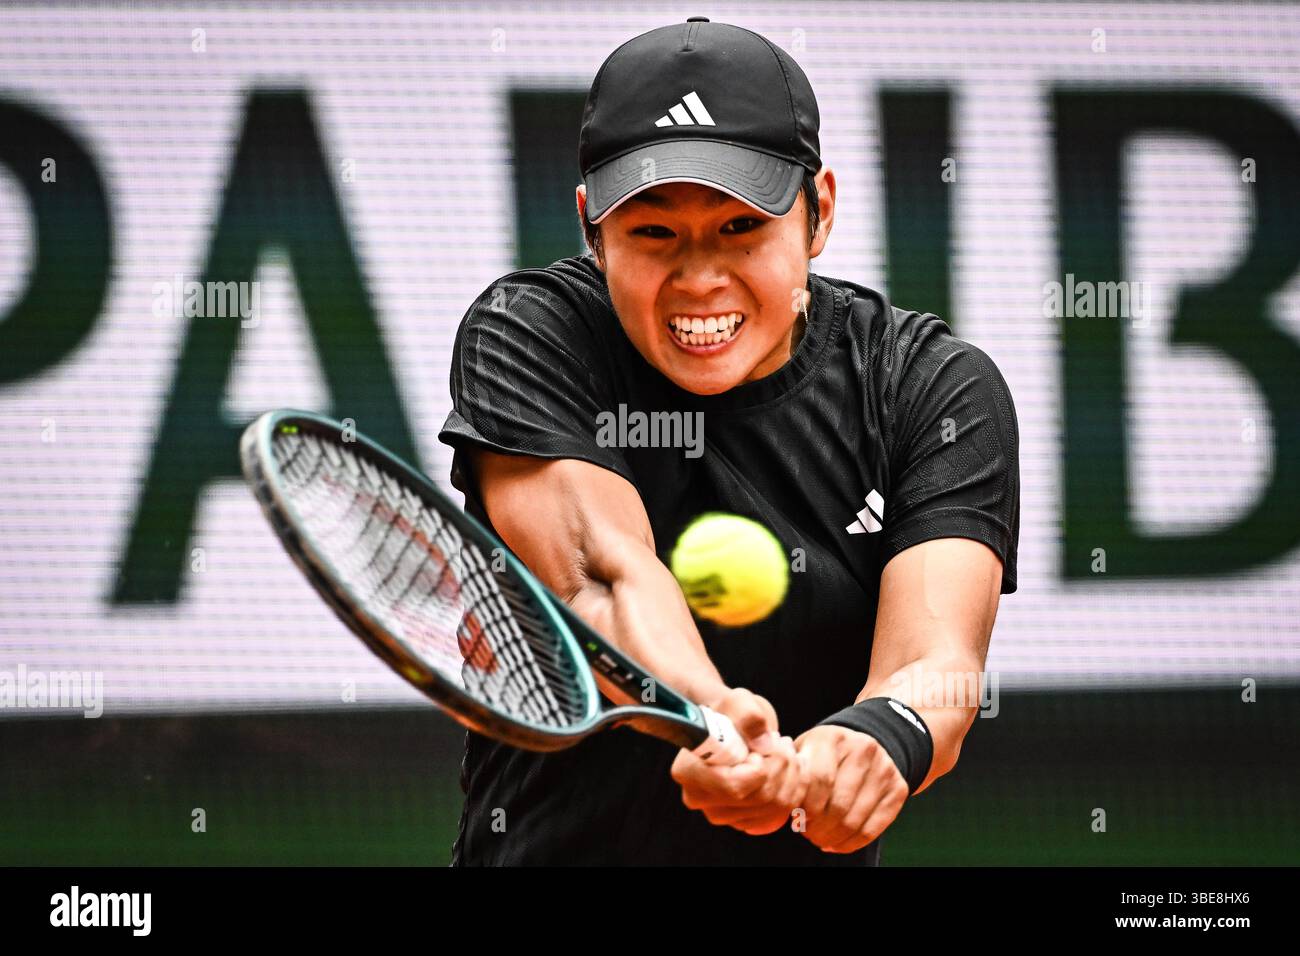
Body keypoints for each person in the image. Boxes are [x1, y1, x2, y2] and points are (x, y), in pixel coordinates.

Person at [438, 16, 1019, 865]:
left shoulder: (928, 386)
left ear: (818, 213)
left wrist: (877, 740)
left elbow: (938, 661)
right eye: (653, 232)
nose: (700, 278)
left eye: (741, 227)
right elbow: (599, 574)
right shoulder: (530, 335)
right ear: (591, 229)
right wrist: (710, 715)